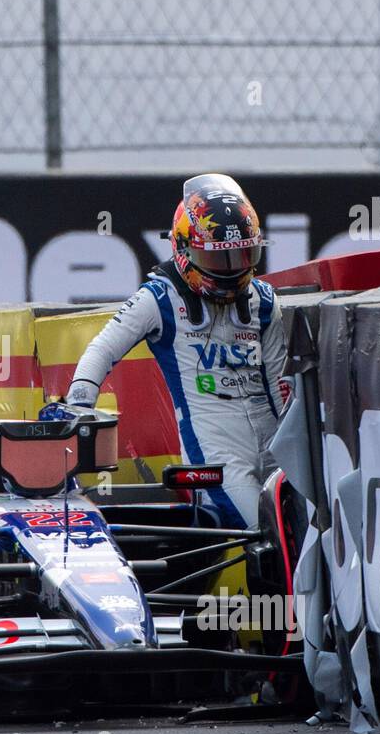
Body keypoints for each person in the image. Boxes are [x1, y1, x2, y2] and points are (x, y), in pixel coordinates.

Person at [62, 174, 290, 530]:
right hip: (216, 456)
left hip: (277, 447)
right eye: (218, 259)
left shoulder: (264, 300)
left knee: (307, 534)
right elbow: (101, 350)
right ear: (182, 249)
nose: (231, 269)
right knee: (267, 533)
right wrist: (78, 406)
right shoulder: (158, 298)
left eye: (241, 254)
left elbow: (280, 385)